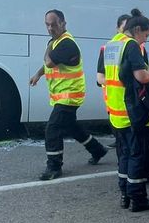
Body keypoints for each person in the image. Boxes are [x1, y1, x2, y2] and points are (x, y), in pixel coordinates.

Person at [29, 9, 108, 180]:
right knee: (71, 127)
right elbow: (49, 64)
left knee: (53, 128)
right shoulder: (56, 42)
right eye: (47, 25)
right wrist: (38, 74)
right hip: (63, 95)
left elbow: (49, 61)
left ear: (63, 23)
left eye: (54, 24)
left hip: (70, 95)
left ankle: (54, 167)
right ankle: (98, 150)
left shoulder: (66, 44)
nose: (50, 28)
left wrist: (49, 44)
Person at [112, 9, 149, 211]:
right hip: (131, 109)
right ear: (136, 30)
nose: (145, 41)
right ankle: (138, 200)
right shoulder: (131, 45)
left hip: (115, 109)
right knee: (136, 155)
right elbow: (141, 77)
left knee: (125, 155)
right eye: (145, 35)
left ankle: (125, 196)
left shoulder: (112, 44)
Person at [96, 13, 131, 89]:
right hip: (116, 96)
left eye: (130, 29)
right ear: (117, 29)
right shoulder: (107, 48)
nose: (127, 32)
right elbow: (100, 78)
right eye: (124, 28)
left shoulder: (137, 47)